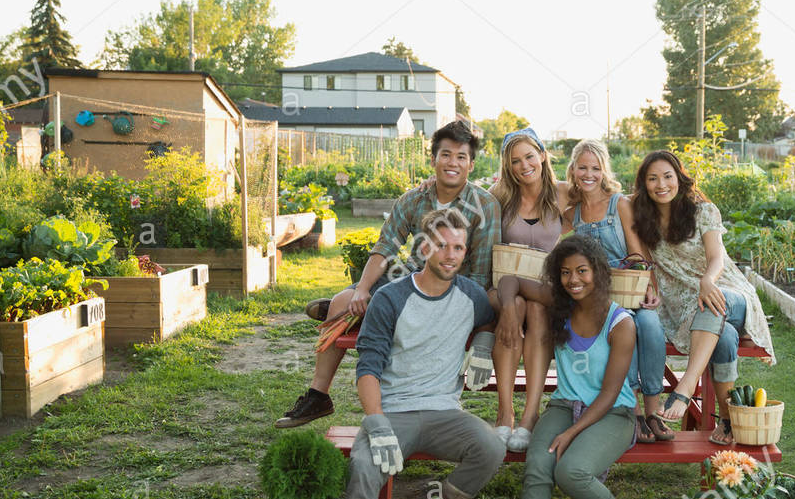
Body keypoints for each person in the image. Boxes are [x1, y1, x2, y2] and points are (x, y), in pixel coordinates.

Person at [332, 211, 504, 499]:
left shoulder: (470, 295)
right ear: (424, 248)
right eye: (442, 245)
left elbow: (492, 317)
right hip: (395, 413)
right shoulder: (391, 298)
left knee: (489, 446)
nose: (451, 255)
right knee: (364, 469)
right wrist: (376, 422)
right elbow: (367, 366)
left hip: (446, 411)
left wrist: (483, 344)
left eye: (459, 248)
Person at [277, 119, 502, 429]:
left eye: (461, 157)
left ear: (471, 164)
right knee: (342, 303)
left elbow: (479, 275)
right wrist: (362, 290)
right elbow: (384, 249)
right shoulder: (413, 199)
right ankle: (319, 395)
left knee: (375, 306)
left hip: (453, 288)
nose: (453, 163)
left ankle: (368, 310)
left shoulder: (485, 205)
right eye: (446, 155)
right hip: (408, 277)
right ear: (433, 159)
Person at [495, 235, 649, 499]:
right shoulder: (560, 303)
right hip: (565, 404)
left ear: (598, 272)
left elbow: (611, 395)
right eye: (565, 273)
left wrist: (572, 432)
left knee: (572, 472)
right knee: (537, 468)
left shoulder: (621, 324)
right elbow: (510, 282)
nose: (573, 279)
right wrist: (510, 312)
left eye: (582, 271)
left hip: (613, 414)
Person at [629, 150, 774, 443]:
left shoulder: (702, 210)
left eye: (668, 176)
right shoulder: (643, 216)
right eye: (653, 178)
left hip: (727, 290)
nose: (661, 185)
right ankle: (726, 421)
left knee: (711, 301)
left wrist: (708, 281)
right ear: (644, 184)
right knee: (725, 338)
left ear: (679, 178)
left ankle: (685, 385)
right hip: (685, 303)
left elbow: (716, 257)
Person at [560, 139, 672, 443]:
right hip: (598, 300)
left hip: (629, 287)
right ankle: (631, 409)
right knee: (626, 328)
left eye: (595, 168)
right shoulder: (572, 214)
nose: (589, 174)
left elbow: (638, 254)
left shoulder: (619, 203)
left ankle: (653, 409)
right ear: (573, 170)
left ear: (603, 170)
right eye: (582, 167)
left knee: (648, 324)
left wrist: (650, 288)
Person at [488, 127, 563, 452]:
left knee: (534, 307)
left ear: (542, 156)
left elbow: (606, 197)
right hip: (503, 289)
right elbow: (461, 200)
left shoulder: (563, 194)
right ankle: (505, 412)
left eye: (529, 157)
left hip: (543, 293)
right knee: (517, 305)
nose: (524, 166)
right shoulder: (499, 196)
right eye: (515, 161)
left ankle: (530, 416)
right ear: (508, 166)